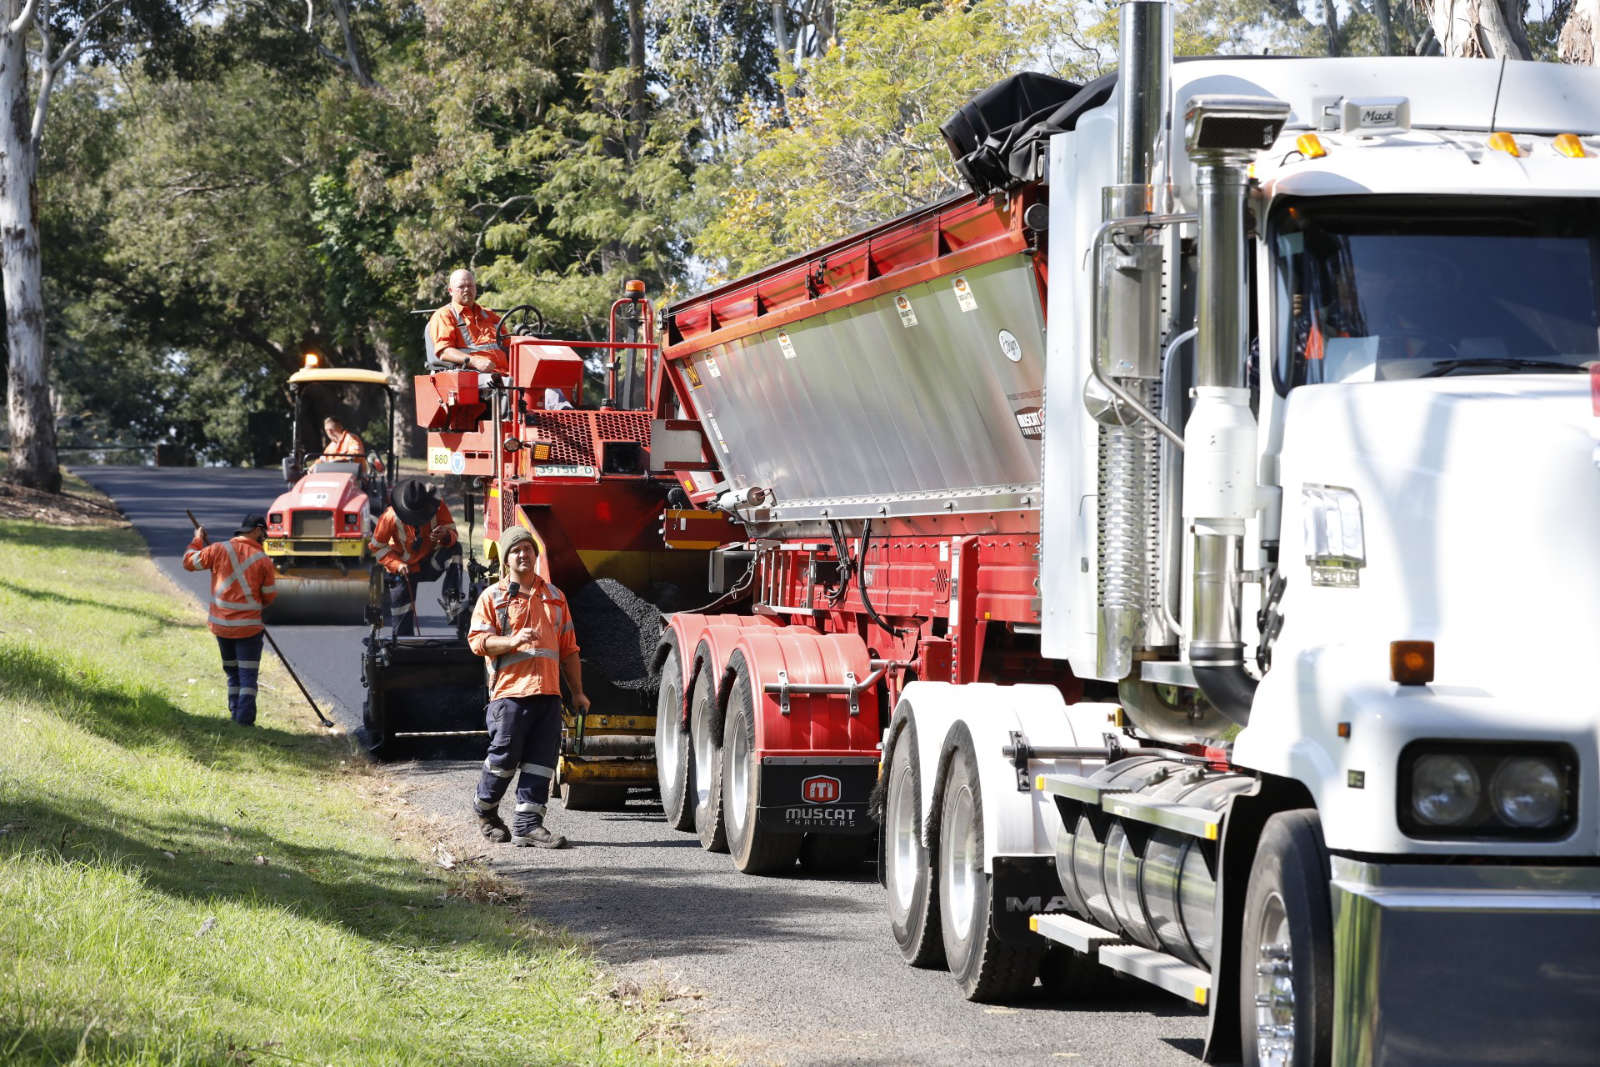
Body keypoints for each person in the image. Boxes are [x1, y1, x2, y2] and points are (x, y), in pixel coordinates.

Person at [467, 525, 589, 848]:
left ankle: (527, 824)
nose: (523, 555)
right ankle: (485, 809)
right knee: (505, 756)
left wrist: (577, 692)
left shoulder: (556, 598)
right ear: (506, 559)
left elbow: (569, 649)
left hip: (548, 695)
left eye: (528, 549)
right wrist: (511, 641)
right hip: (510, 694)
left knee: (541, 760)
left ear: (536, 555)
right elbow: (477, 642)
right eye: (516, 550)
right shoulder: (492, 597)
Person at [183, 513, 278, 726]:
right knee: (247, 677)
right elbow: (270, 596)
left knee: (232, 674)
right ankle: (244, 722)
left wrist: (197, 540)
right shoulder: (263, 561)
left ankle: (235, 715)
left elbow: (189, 562)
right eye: (263, 532)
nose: (264, 536)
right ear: (256, 530)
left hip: (222, 628)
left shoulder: (218, 549)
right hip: (248, 630)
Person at [370, 479, 464, 633]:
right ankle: (404, 643)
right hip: (404, 571)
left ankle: (452, 602)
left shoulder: (438, 507)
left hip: (430, 564)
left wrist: (445, 536)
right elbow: (377, 547)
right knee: (402, 624)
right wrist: (397, 565)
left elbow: (453, 534)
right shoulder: (389, 517)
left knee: (455, 549)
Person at [428, 269, 509, 375]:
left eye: (470, 286)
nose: (466, 289)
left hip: (506, 375)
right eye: (461, 287)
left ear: (475, 288)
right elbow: (444, 352)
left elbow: (510, 346)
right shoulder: (444, 315)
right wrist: (475, 361)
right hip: (473, 377)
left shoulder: (491, 315)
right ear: (451, 291)